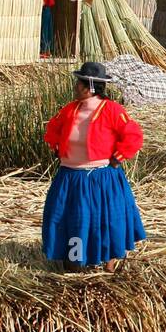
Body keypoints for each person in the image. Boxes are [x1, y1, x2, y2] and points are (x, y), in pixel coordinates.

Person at [42, 62, 146, 271]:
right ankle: (75, 260)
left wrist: (117, 157)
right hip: (70, 177)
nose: (75, 87)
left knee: (106, 221)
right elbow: (53, 128)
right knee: (72, 221)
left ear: (88, 87)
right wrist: (57, 148)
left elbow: (133, 135)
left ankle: (109, 261)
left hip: (100, 178)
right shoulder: (70, 109)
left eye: (78, 83)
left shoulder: (112, 110)